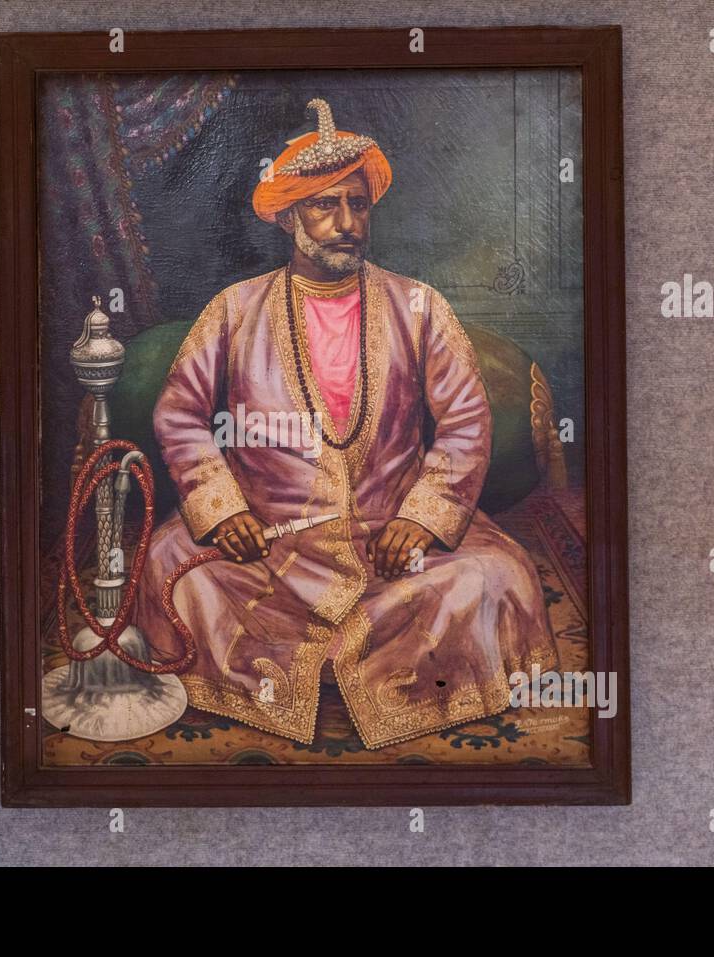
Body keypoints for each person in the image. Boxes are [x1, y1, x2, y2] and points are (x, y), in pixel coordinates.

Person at [132, 98, 561, 749]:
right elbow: (181, 415)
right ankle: (334, 664)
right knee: (175, 570)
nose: (346, 223)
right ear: (290, 216)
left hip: (392, 538)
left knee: (494, 577)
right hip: (268, 543)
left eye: (357, 206)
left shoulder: (419, 308)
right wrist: (222, 512)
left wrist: (421, 519)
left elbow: (467, 423)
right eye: (325, 206)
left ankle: (358, 662)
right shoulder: (235, 309)